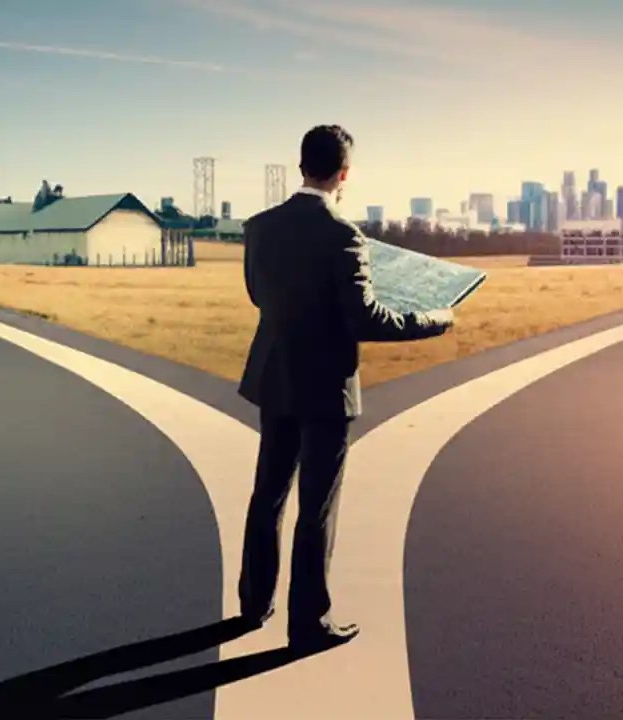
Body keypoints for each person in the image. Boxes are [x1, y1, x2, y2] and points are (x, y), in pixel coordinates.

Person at [236, 124, 455, 649]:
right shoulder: (344, 236)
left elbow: (257, 297)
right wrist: (435, 319)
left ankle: (253, 604)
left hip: (276, 375)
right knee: (316, 507)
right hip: (326, 388)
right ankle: (307, 625)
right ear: (344, 174)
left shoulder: (260, 226)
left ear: (301, 165)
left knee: (267, 493)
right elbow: (366, 320)